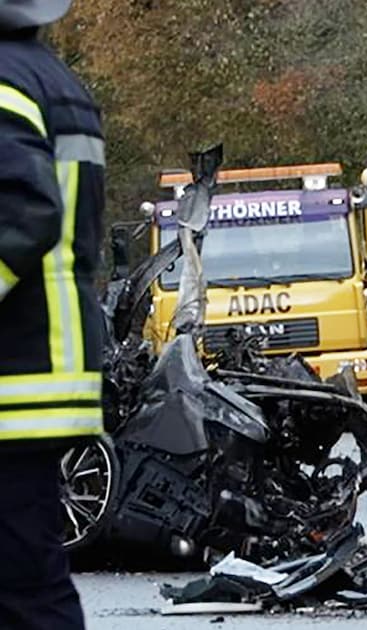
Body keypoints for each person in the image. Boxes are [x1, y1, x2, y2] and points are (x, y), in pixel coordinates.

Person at [0, 1, 106, 627]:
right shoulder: (53, 78)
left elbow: (23, 210)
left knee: (22, 593)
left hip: (13, 375)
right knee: (28, 584)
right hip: (46, 374)